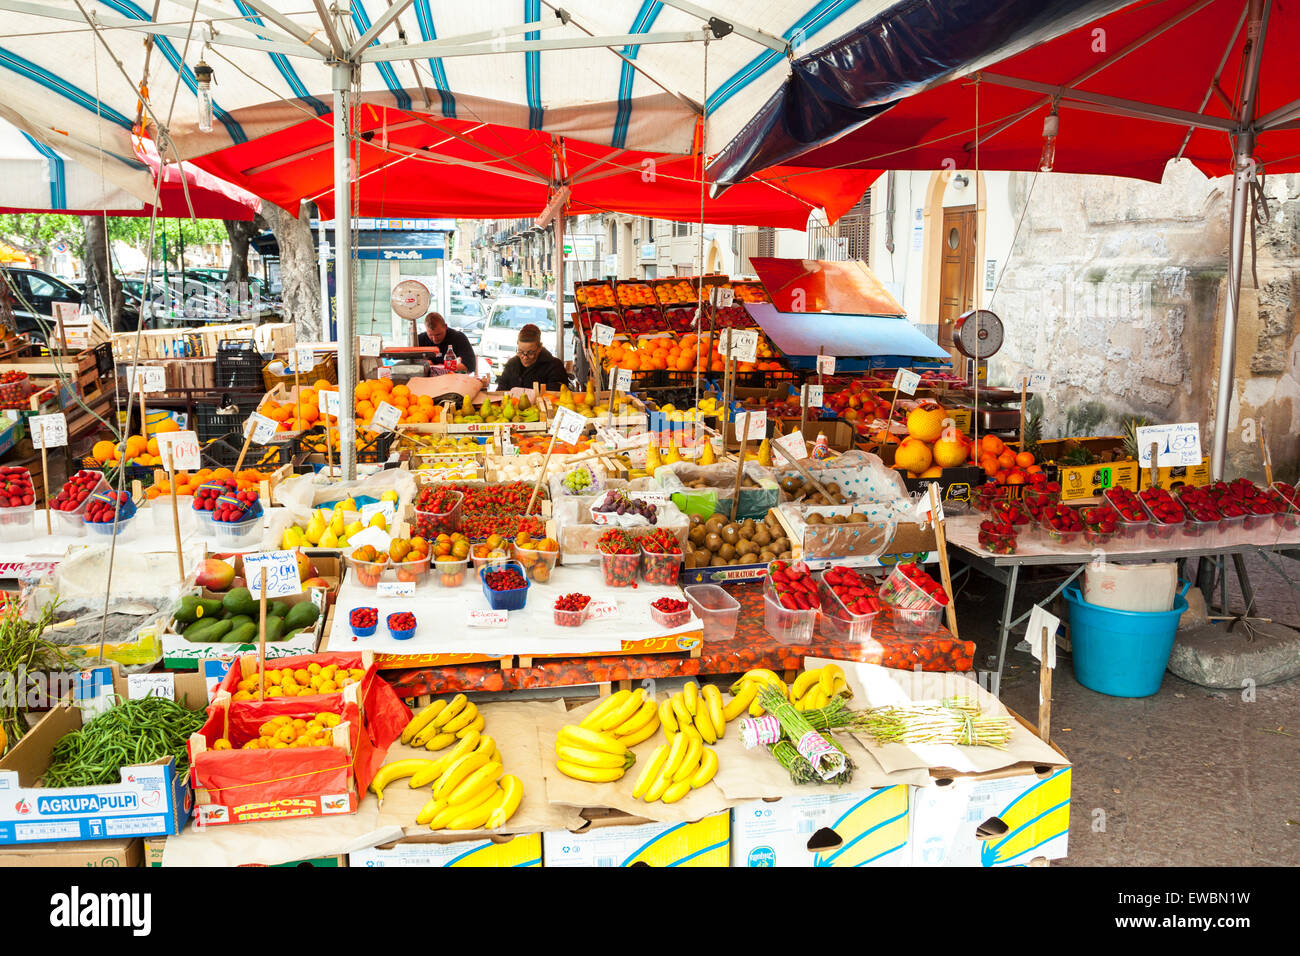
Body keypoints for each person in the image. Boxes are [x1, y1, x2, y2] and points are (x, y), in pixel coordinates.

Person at [495, 323, 570, 391]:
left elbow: (559, 392)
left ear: (540, 348)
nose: (525, 357)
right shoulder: (512, 364)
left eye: (530, 353)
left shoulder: (554, 366)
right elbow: (501, 390)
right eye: (520, 352)